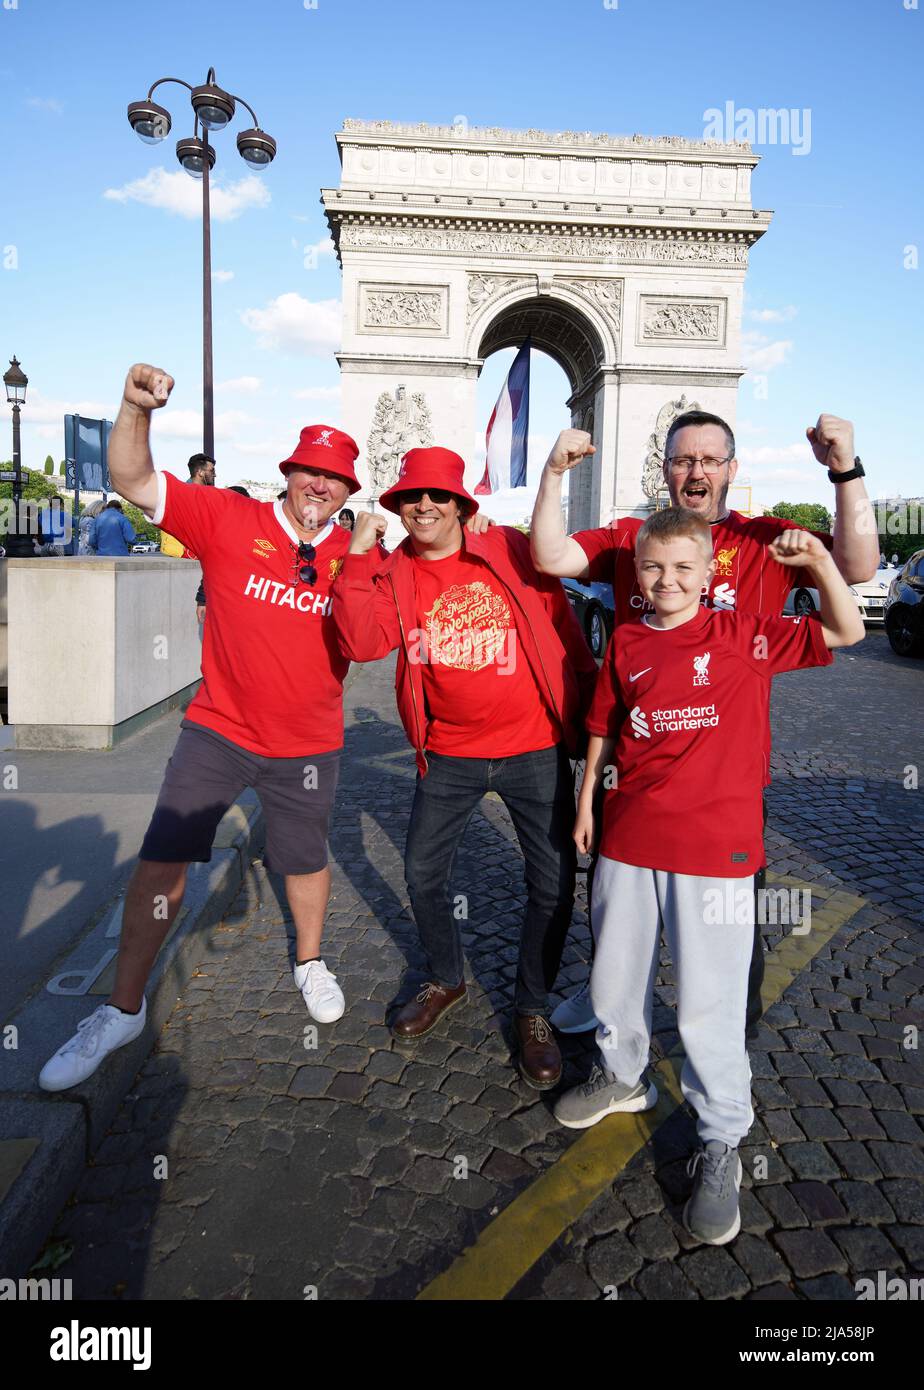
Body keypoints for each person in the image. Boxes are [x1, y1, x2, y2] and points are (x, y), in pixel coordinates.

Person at [39, 364, 373, 1092]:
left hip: (309, 743)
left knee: (304, 859)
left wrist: (391, 548)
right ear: (288, 475)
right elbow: (133, 477)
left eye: (335, 479)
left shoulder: (357, 554)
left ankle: (310, 960)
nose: (320, 486)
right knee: (162, 861)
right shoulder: (227, 517)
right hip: (217, 731)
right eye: (309, 473)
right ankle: (122, 1008)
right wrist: (134, 408)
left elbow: (386, 627)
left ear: (350, 492)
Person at [553, 507, 864, 1244]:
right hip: (630, 834)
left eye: (682, 568)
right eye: (654, 568)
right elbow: (604, 722)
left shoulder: (746, 636)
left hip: (719, 850)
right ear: (641, 571)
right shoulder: (626, 639)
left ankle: (721, 1136)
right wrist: (586, 796)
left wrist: (819, 562)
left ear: (707, 572)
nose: (666, 580)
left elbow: (847, 630)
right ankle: (620, 1072)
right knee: (614, 978)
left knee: (709, 1002)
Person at [530, 411, 879, 1038]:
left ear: (731, 470)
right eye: (683, 460)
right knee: (614, 905)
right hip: (633, 774)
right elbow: (552, 555)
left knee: (729, 917)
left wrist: (844, 469)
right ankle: (606, 990)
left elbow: (856, 568)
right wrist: (554, 474)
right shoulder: (629, 538)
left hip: (725, 779)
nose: (696, 472)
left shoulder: (761, 539)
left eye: (710, 460)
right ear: (664, 469)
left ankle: (731, 1029)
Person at [331, 447, 597, 1088]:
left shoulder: (506, 547)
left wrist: (590, 734)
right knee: (422, 873)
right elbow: (361, 642)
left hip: (533, 748)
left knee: (553, 884)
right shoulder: (391, 571)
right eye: (411, 498)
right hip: (447, 753)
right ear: (396, 506)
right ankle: (446, 976)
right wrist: (360, 552)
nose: (424, 506)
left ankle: (532, 1006)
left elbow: (563, 631)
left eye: (438, 497)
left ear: (462, 505)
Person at [195, 485, 250, 623]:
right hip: (223, 605)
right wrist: (202, 601)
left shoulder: (258, 536)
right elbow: (211, 570)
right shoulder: (220, 534)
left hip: (249, 606)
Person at [160, 451, 215, 562]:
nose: (214, 474)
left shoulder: (196, 493)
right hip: (183, 554)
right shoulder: (183, 494)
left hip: (186, 553)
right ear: (200, 472)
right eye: (211, 470)